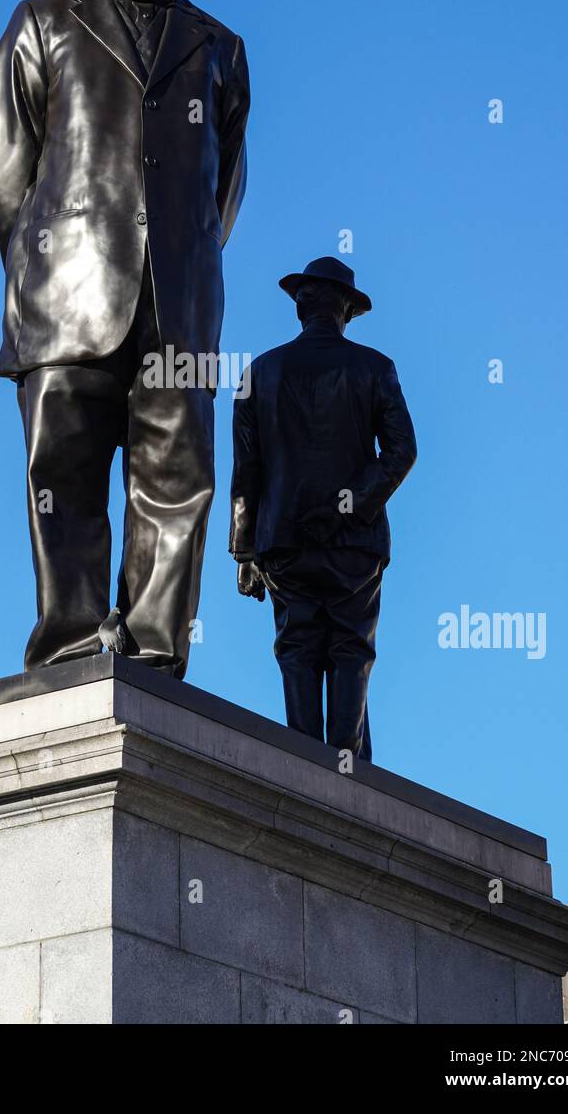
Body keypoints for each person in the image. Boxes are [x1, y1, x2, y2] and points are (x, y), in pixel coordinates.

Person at [0, 0, 250, 674]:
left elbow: (225, 184)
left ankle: (158, 661)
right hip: (67, 294)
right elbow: (4, 155)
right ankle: (66, 647)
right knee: (62, 470)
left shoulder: (219, 45)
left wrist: (184, 260)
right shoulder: (44, 22)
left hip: (180, 303)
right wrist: (42, 263)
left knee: (179, 482)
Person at [230, 258, 416, 759]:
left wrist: (244, 551)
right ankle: (346, 766)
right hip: (354, 544)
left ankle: (304, 765)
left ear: (300, 306)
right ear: (347, 312)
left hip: (283, 543)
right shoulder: (375, 367)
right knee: (351, 647)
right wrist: (351, 505)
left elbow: (245, 473)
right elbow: (402, 452)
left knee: (297, 651)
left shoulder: (258, 373)